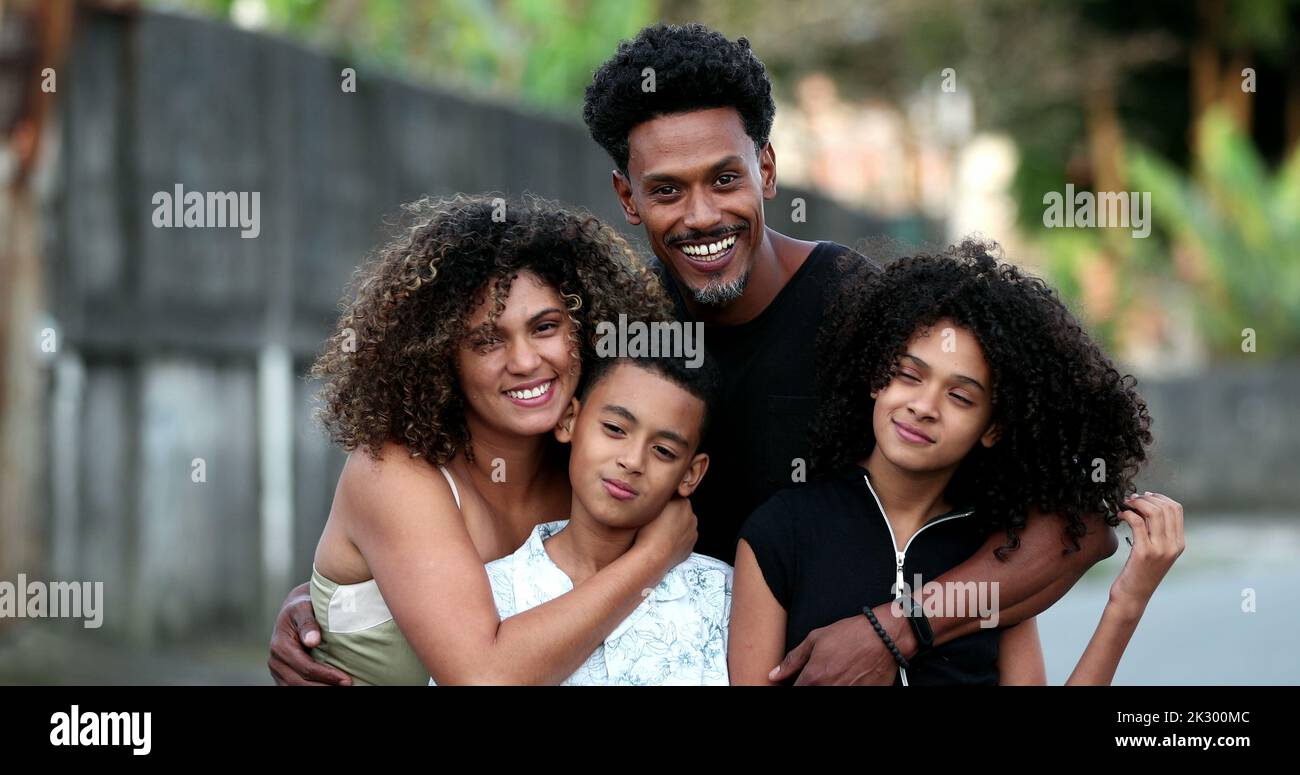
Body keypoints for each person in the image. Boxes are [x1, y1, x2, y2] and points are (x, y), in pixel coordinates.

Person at [580, 23, 1122, 683]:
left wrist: (897, 629)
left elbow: (1082, 517)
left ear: (768, 170)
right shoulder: (614, 333)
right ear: (627, 199)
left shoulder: (857, 307)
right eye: (666, 190)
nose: (701, 215)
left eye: (725, 178)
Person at [272, 195, 700, 685]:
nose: (524, 361)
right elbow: (483, 677)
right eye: (487, 341)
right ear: (439, 358)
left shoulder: (598, 470)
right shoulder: (393, 471)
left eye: (545, 327)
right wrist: (654, 556)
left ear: (587, 330)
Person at [728, 241, 1185, 684]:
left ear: (993, 428)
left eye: (960, 397)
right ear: (875, 377)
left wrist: (1127, 602)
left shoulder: (998, 552)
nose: (925, 406)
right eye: (909, 374)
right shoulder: (780, 533)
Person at [433, 353, 731, 685]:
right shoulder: (492, 595)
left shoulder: (722, 596)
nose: (633, 461)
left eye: (663, 451)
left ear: (690, 474)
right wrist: (653, 557)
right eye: (615, 429)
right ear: (569, 420)